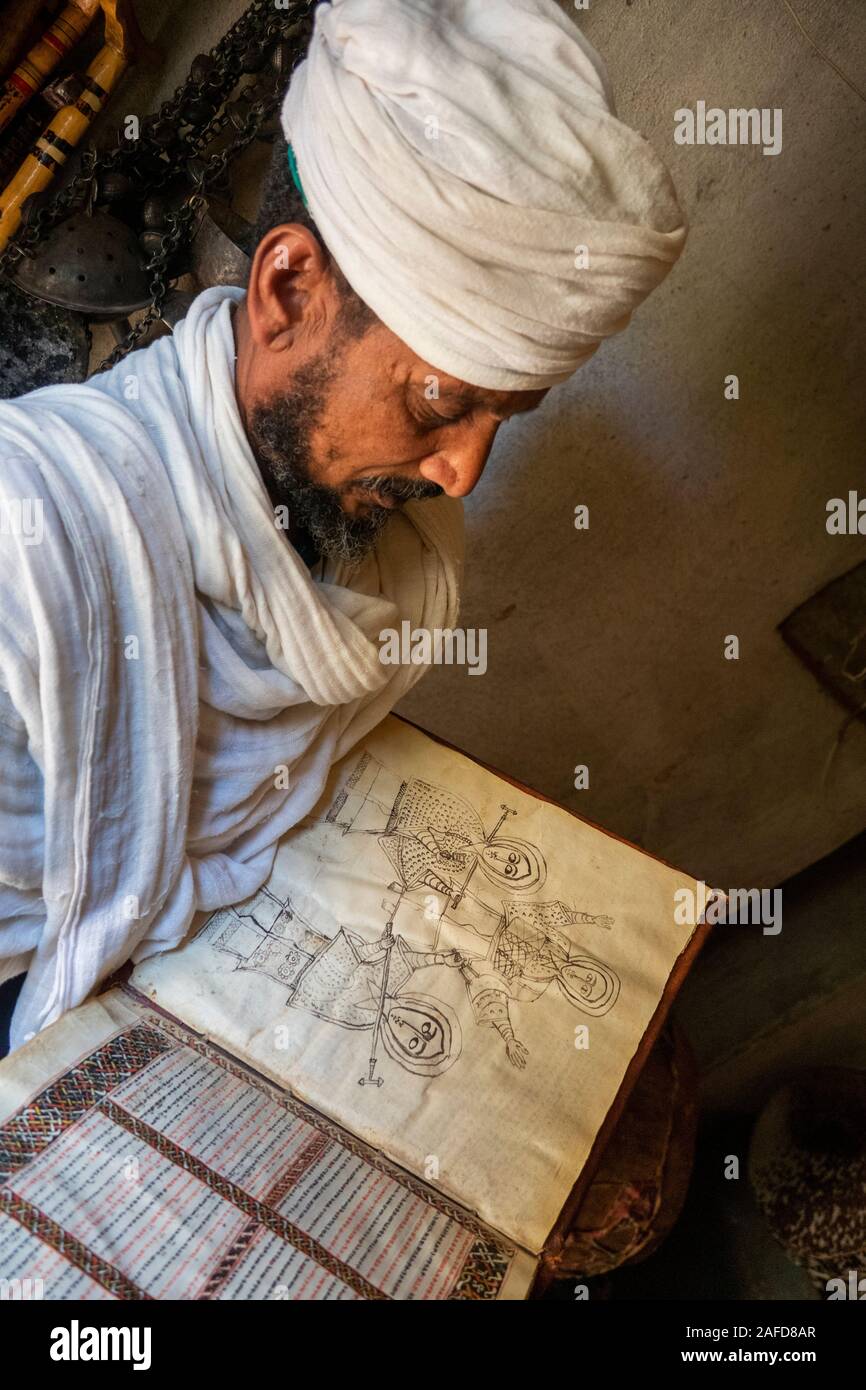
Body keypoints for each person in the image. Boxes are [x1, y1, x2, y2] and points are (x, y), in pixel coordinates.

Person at [0, 0, 686, 1052]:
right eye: (439, 401)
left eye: (509, 417)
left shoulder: (404, 569)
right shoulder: (27, 545)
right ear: (286, 290)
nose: (461, 474)